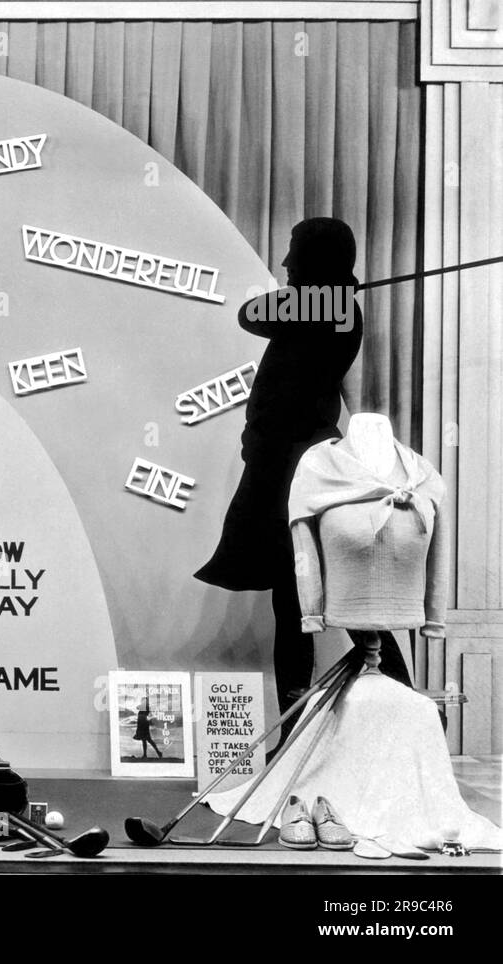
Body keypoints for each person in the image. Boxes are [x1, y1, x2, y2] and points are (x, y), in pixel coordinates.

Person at [195, 218, 411, 749]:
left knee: (329, 601)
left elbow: (253, 313)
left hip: (299, 470)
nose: (286, 265)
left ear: (317, 260)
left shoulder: (336, 313)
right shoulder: (323, 307)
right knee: (293, 605)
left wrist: (328, 293)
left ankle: (399, 718)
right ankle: (293, 738)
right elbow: (258, 315)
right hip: (281, 469)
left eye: (295, 255)